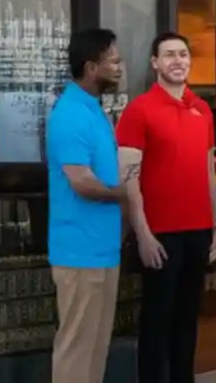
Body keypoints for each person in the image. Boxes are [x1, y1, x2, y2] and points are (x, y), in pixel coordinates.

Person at [116, 32, 216, 383]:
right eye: (170, 55)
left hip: (198, 229)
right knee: (157, 321)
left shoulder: (202, 109)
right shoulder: (139, 110)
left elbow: (207, 170)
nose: (178, 61)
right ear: (155, 63)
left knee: (188, 320)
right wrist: (142, 233)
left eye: (184, 54)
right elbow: (128, 179)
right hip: (160, 232)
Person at [47, 28, 127, 383]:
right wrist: (124, 194)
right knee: (77, 349)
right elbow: (81, 181)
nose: (121, 66)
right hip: (79, 253)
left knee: (96, 349)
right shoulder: (70, 114)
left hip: (104, 250)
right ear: (91, 66)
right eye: (113, 60)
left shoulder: (94, 110)